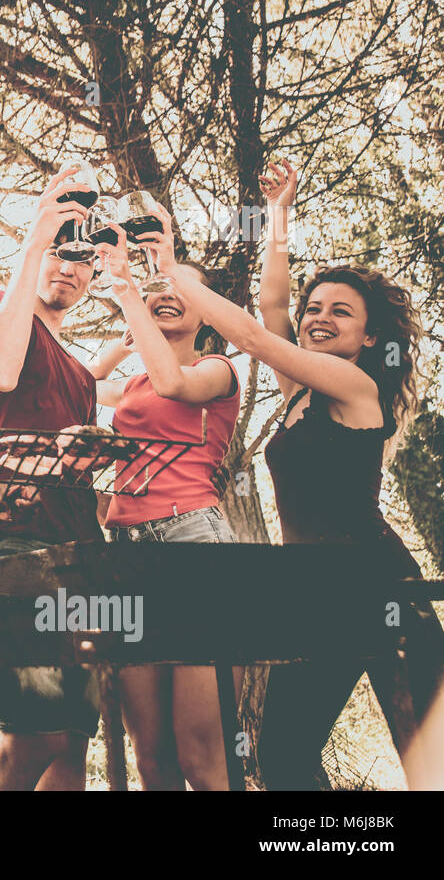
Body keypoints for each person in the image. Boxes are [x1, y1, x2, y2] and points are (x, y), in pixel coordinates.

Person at [138, 160, 444, 789]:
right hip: (322, 596)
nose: (317, 317)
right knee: (281, 760)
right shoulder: (300, 390)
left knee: (430, 767)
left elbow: (252, 333)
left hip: (381, 589)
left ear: (368, 338)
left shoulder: (357, 387)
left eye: (341, 312)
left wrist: (170, 272)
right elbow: (272, 306)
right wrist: (278, 216)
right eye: (315, 308)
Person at [86, 227, 242, 790]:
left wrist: (130, 292)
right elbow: (73, 386)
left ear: (204, 313)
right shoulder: (129, 386)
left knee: (200, 754)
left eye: (180, 287)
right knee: (149, 756)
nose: (166, 293)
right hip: (125, 557)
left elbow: (174, 383)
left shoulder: (219, 371)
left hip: (191, 548)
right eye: (157, 288)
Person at [0, 167, 104, 791]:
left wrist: (95, 453)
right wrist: (36, 238)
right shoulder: (0, 309)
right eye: (59, 252)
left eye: (83, 262)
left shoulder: (84, 374)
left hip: (82, 554)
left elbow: (73, 463)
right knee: (33, 731)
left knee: (73, 741)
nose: (69, 270)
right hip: (15, 545)